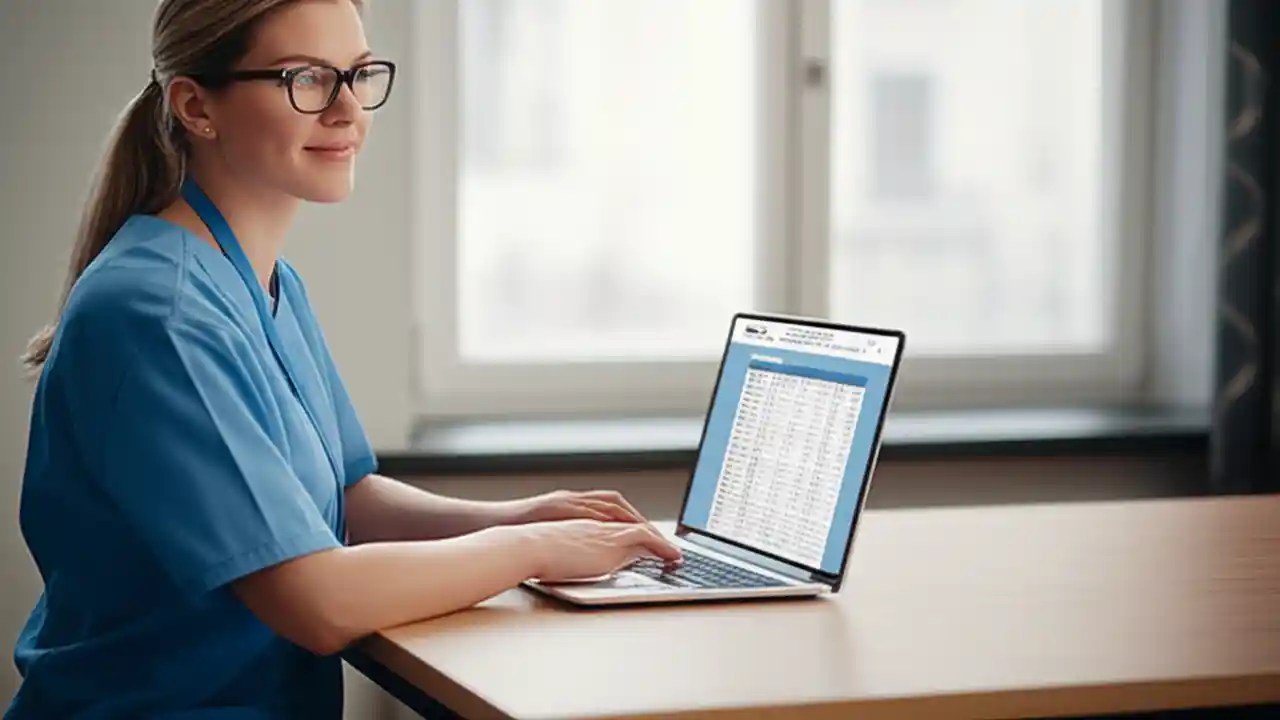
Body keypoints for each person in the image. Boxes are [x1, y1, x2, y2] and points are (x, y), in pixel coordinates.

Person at [6, 0, 681, 717]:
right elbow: (317, 603)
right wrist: (538, 550)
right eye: (306, 78)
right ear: (197, 106)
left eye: (358, 75)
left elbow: (345, 499)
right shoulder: (158, 314)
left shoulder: (264, 281)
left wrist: (511, 518)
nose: (348, 110)